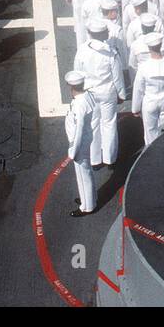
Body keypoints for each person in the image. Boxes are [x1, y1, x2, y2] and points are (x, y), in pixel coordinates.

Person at [74, 17, 124, 170]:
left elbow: (77, 72)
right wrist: (121, 95)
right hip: (107, 92)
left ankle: (95, 160)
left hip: (90, 93)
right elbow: (117, 77)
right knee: (109, 123)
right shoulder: (111, 52)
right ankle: (110, 158)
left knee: (93, 125)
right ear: (104, 34)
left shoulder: (82, 50)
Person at [132, 32, 164, 145]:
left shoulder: (143, 67)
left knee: (150, 132)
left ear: (148, 47)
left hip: (149, 102)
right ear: (161, 45)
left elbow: (138, 89)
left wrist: (135, 108)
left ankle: (150, 155)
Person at [64, 71, 98, 217]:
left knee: (83, 175)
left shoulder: (79, 104)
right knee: (87, 173)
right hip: (86, 139)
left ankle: (87, 206)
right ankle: (89, 198)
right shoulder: (88, 96)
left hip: (80, 143)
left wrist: (73, 150)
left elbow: (78, 131)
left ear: (71, 87)